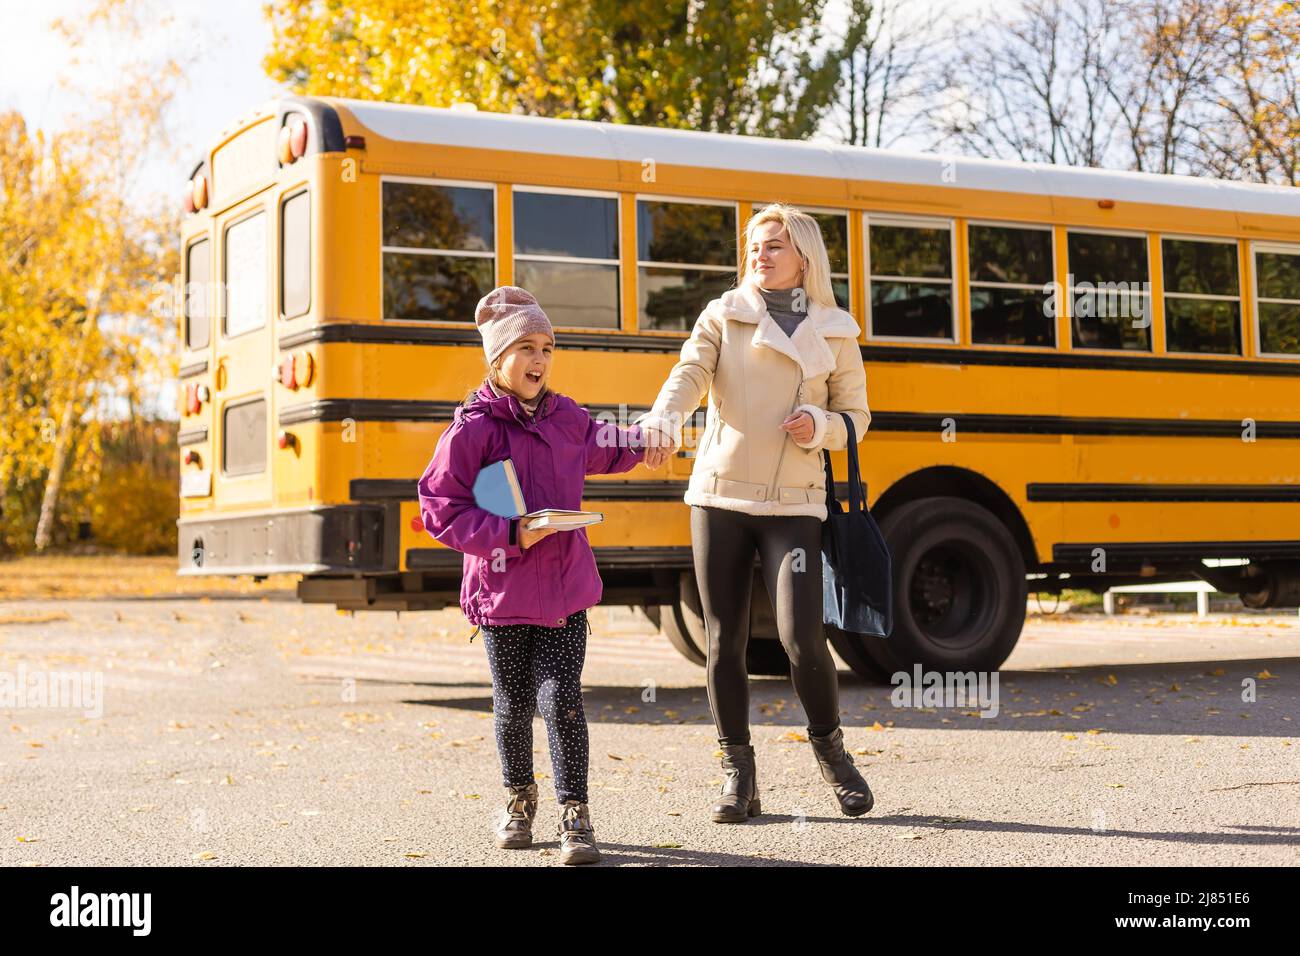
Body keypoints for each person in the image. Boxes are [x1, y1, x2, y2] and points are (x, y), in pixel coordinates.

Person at [635, 203, 876, 822]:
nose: (759, 255)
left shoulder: (838, 330)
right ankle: (737, 775)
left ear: (803, 257)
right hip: (719, 497)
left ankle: (832, 752)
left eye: (773, 246)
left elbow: (857, 419)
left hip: (795, 504)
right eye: (753, 246)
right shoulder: (724, 314)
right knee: (724, 642)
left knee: (802, 639)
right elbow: (689, 373)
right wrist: (664, 418)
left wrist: (820, 424)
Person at [417, 286, 656, 863]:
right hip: (500, 594)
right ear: (497, 358)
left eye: (547, 348)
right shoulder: (473, 430)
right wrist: (510, 533)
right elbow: (437, 508)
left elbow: (608, 446)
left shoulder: (566, 417)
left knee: (563, 700)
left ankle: (576, 813)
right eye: (525, 347)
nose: (539, 360)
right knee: (512, 703)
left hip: (566, 592)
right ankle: (519, 800)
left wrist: (647, 440)